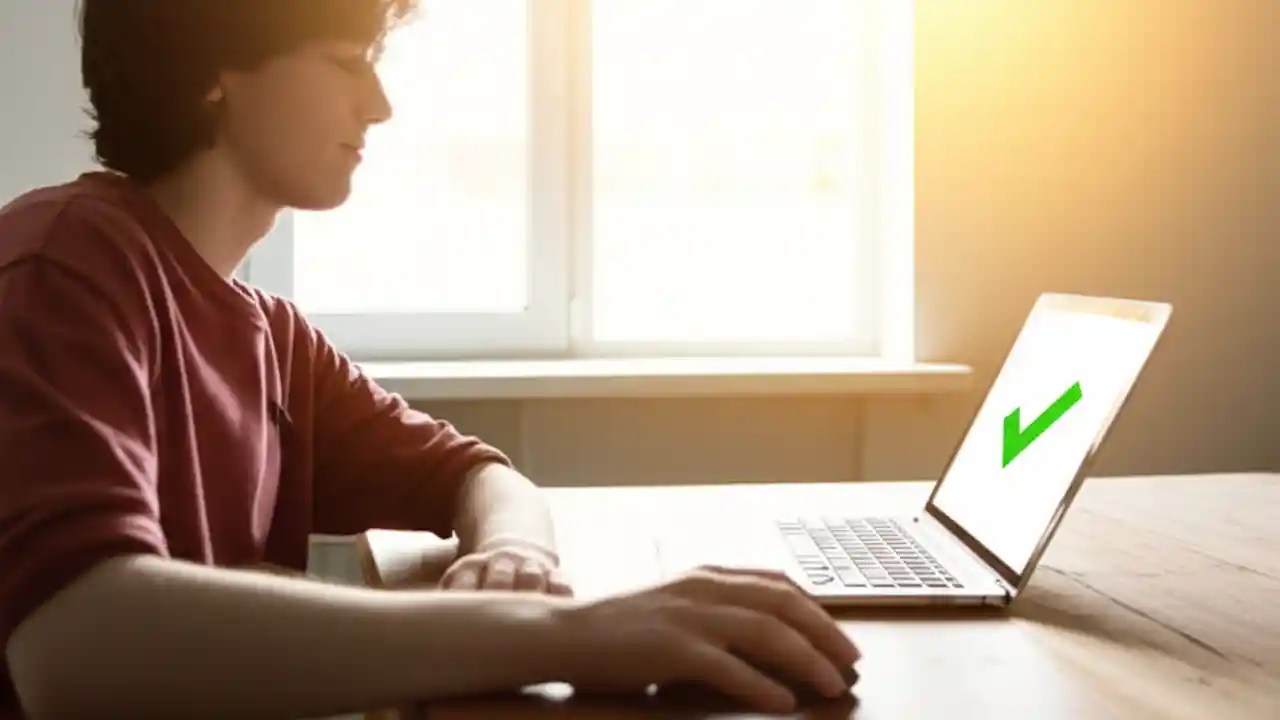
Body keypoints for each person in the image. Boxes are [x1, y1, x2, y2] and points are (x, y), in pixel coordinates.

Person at [0, 1, 861, 717]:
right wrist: (563, 632)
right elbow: (73, 643)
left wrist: (515, 554)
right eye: (345, 61)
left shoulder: (270, 333)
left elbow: (478, 474)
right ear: (211, 73)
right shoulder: (66, 264)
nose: (378, 105)